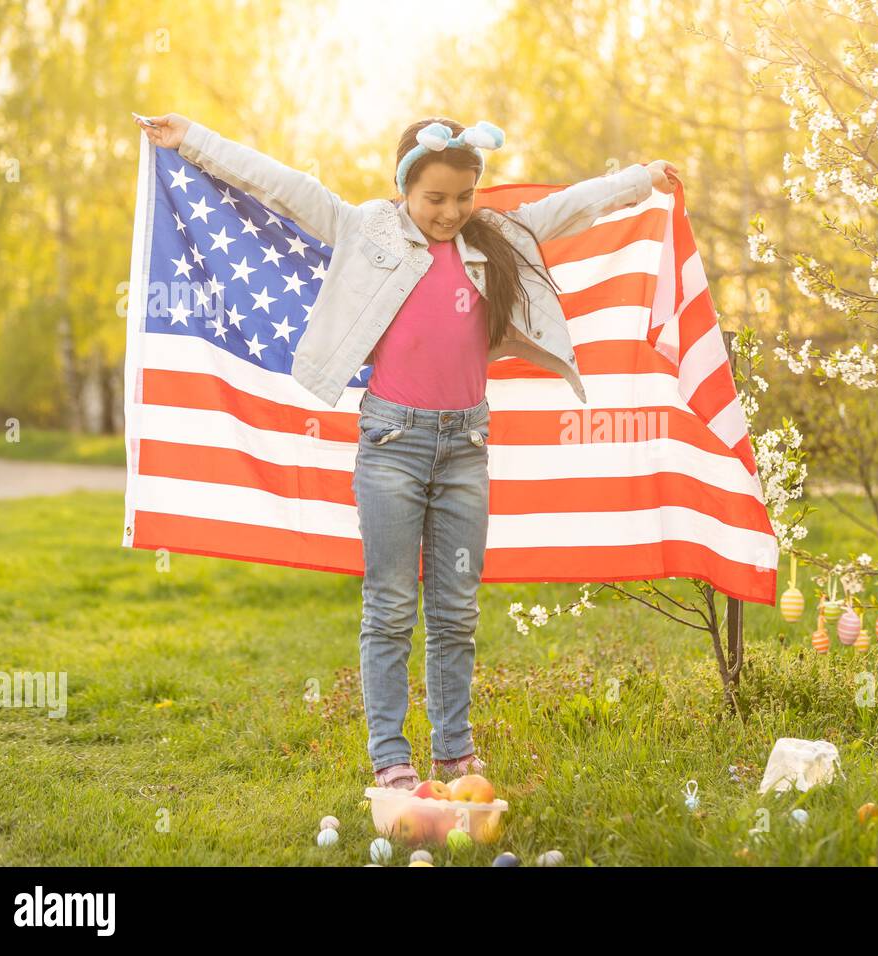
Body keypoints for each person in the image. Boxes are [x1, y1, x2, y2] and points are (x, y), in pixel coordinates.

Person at [134, 111, 680, 789]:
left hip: (466, 448)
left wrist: (641, 180)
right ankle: (391, 759)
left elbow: (568, 208)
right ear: (403, 188)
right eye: (435, 199)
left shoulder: (497, 238)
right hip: (392, 444)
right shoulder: (366, 230)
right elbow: (283, 186)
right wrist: (192, 140)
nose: (451, 212)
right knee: (391, 607)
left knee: (456, 610)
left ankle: (454, 750)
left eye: (464, 196)